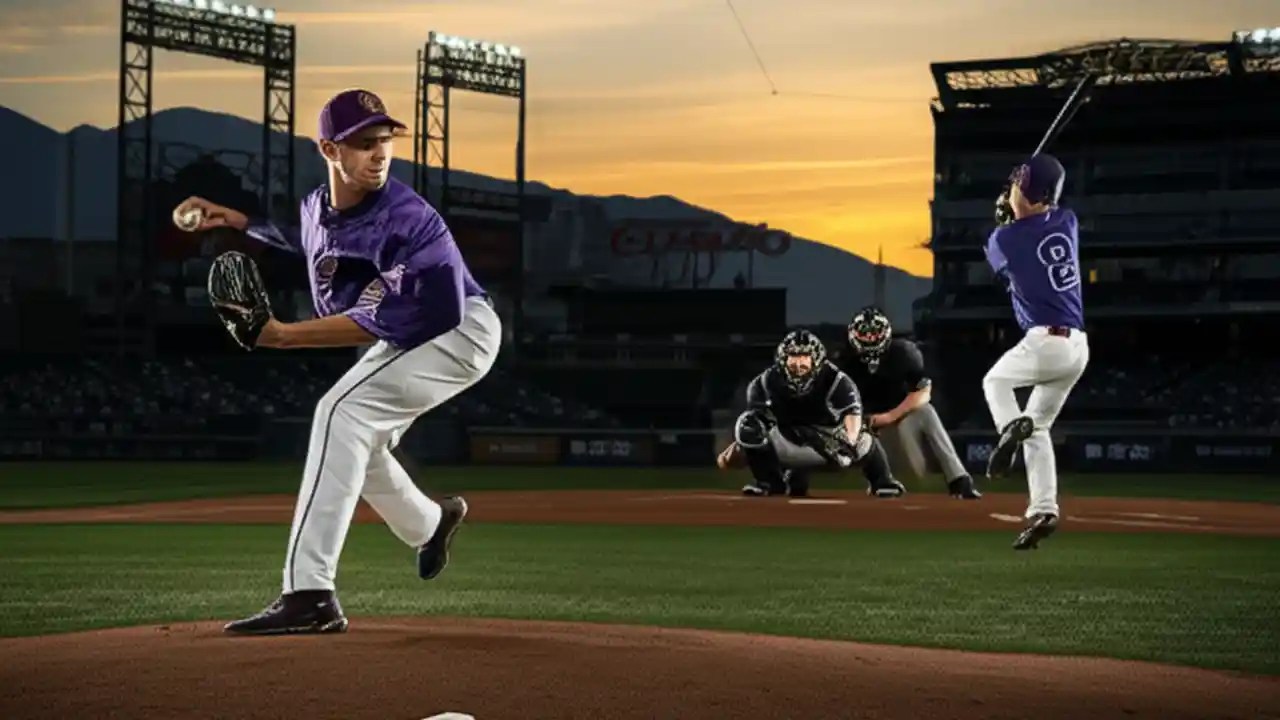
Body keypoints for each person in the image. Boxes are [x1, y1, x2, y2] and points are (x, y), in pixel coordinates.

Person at [172, 88, 502, 633]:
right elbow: (310, 241)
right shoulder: (314, 207)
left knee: (338, 413)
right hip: (411, 335)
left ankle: (309, 595)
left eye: (385, 141)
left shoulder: (413, 221)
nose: (380, 153)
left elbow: (431, 312)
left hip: (458, 327)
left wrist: (282, 336)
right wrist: (235, 220)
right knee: (353, 439)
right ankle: (430, 523)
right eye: (364, 143)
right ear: (329, 149)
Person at [983, 153, 1089, 550]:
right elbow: (1041, 218)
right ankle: (1043, 509)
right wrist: (1015, 210)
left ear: (1024, 190)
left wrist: (1002, 219)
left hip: (1044, 342)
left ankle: (1010, 427)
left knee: (994, 381)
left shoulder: (1004, 239)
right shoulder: (1068, 221)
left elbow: (997, 261)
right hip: (1077, 348)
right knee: (1039, 427)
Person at [715, 329, 905, 498]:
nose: (799, 363)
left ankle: (882, 481)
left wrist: (849, 441)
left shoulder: (837, 381)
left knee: (865, 438)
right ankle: (771, 483)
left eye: (805, 356)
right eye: (794, 356)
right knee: (748, 425)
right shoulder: (764, 382)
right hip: (788, 441)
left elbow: (852, 414)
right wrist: (742, 444)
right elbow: (756, 420)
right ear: (783, 359)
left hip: (830, 443)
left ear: (817, 359)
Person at [839, 306, 980, 499]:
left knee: (926, 411)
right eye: (865, 334)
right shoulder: (844, 361)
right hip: (865, 430)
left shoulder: (904, 352)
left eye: (875, 333)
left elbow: (923, 392)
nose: (870, 338)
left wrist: (889, 416)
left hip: (900, 420)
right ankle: (877, 479)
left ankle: (959, 479)